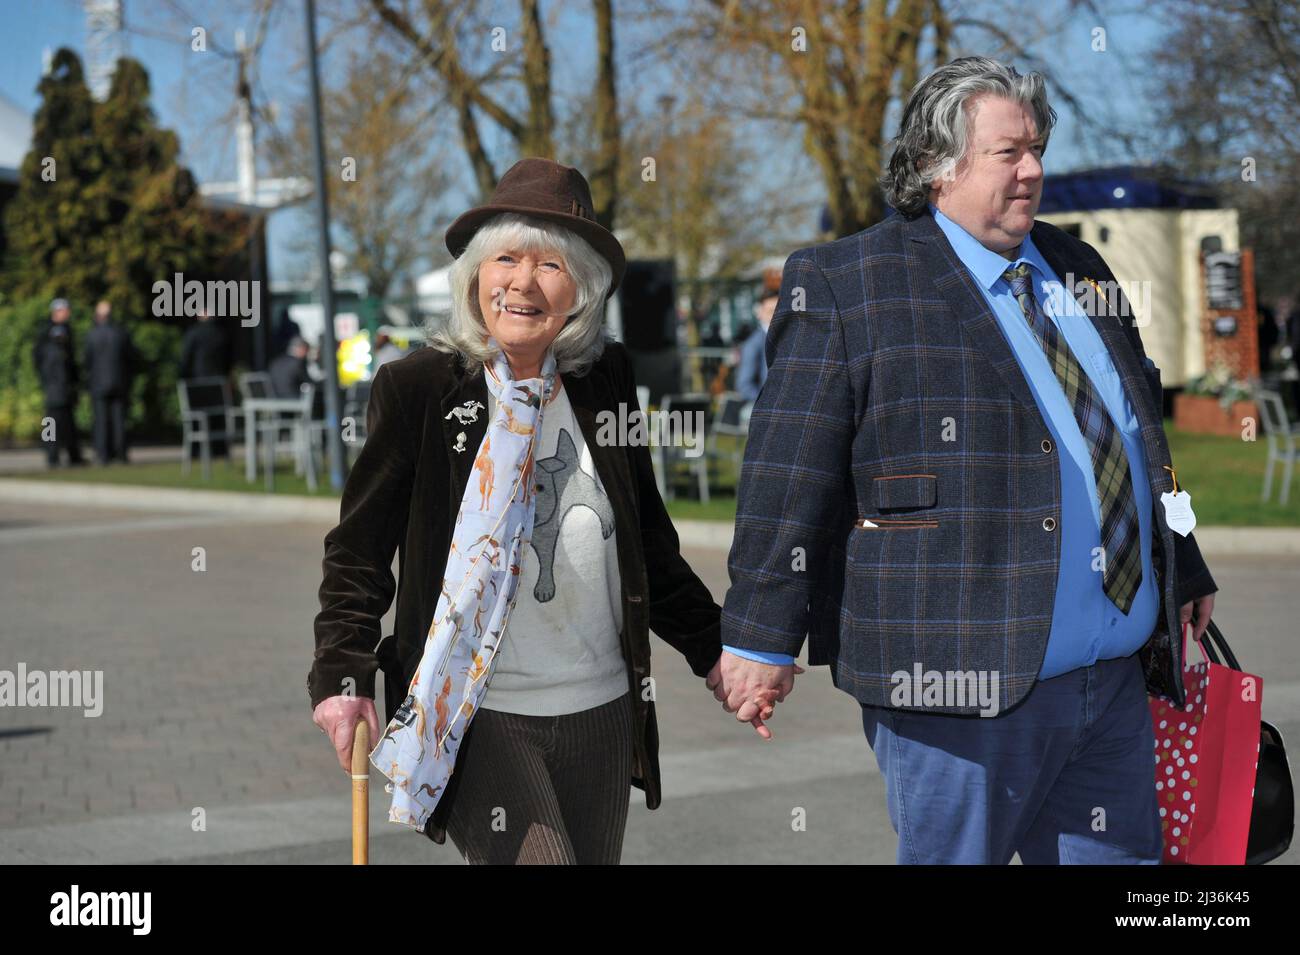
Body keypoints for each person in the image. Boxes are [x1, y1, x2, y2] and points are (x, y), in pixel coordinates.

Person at [718, 57, 1220, 865]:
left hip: (1114, 684)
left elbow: (1131, 436)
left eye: (1038, 148)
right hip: (956, 686)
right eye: (1009, 152)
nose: (1034, 170)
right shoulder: (849, 284)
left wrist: (1182, 561)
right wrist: (759, 638)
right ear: (935, 164)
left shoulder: (1080, 266)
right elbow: (787, 470)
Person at [309, 157, 724, 865]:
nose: (523, 283)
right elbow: (359, 548)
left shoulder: (604, 381)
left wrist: (716, 648)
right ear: (475, 274)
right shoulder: (421, 389)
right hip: (477, 712)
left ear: (582, 290)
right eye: (505, 258)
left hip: (600, 705)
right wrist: (341, 673)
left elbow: (647, 542)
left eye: (551, 264)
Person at [32, 298, 86, 468]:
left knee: (68, 421)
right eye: (65, 310)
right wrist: (47, 379)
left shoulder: (66, 331)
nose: (67, 313)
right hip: (55, 384)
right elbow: (42, 361)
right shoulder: (49, 333)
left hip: (65, 385)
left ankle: (73, 455)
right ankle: (52, 455)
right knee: (52, 421)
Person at [84, 300, 137, 464]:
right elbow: (131, 358)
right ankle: (120, 453)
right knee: (119, 420)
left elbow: (87, 361)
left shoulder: (91, 335)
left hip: (99, 383)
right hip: (119, 382)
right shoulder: (121, 333)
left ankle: (103, 454)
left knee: (101, 421)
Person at [179, 308, 233, 457]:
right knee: (218, 418)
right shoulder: (221, 333)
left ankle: (196, 450)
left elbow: (185, 359)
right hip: (218, 381)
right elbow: (229, 360)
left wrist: (183, 377)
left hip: (198, 381)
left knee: (198, 418)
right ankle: (220, 450)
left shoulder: (194, 333)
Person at [735, 286, 778, 403]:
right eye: (770, 311)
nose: (776, 316)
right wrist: (767, 403)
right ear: (759, 313)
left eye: (778, 311)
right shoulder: (754, 343)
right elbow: (745, 385)